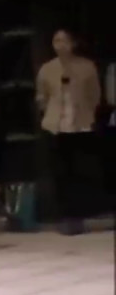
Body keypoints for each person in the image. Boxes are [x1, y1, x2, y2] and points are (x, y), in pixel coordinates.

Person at [36, 28, 101, 235]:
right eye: (56, 40)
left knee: (79, 172)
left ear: (73, 43)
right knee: (59, 173)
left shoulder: (87, 67)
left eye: (64, 40)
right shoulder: (46, 69)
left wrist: (87, 111)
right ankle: (63, 217)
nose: (60, 45)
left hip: (80, 124)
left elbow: (95, 95)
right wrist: (47, 110)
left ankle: (78, 216)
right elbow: (41, 96)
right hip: (56, 125)